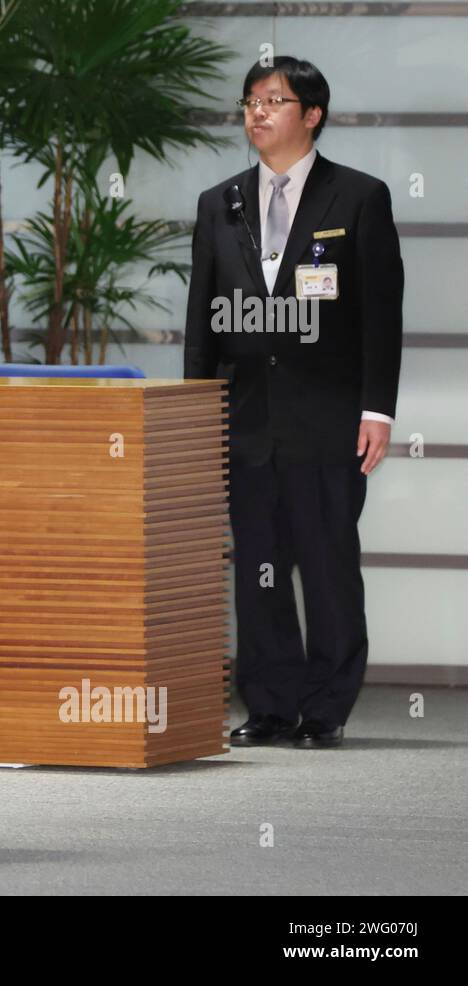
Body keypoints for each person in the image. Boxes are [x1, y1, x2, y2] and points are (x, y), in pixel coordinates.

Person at [184, 57, 403, 749]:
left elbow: (380, 314)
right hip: (247, 420)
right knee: (259, 564)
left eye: (273, 101)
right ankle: (270, 704)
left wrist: (378, 409)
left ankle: (326, 707)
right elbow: (203, 322)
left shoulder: (359, 197)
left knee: (328, 562)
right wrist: (197, 413)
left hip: (329, 417)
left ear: (311, 115)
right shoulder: (221, 203)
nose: (257, 112)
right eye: (250, 101)